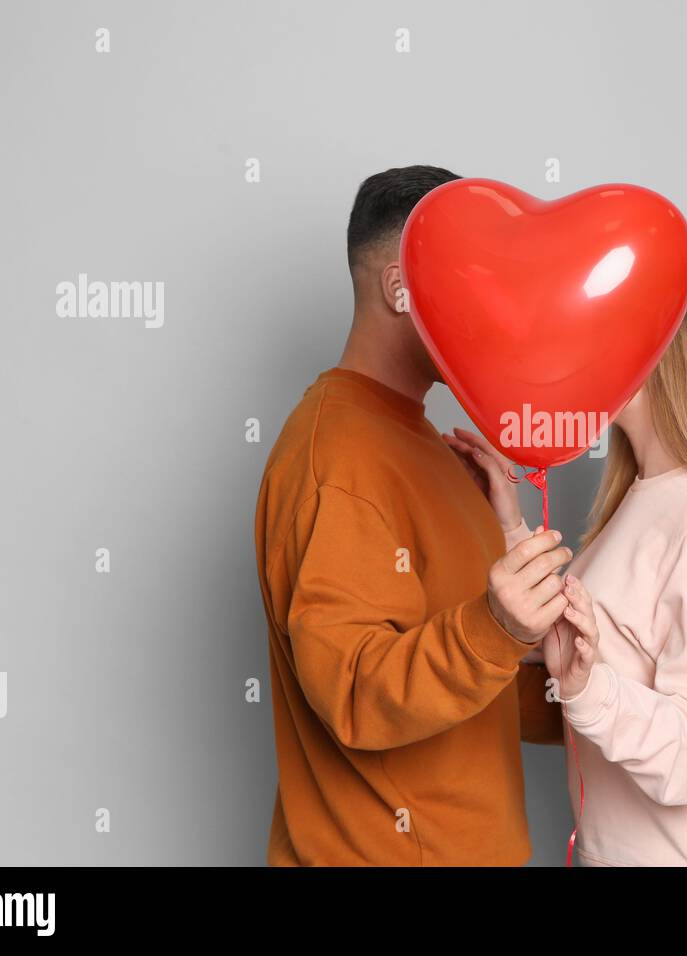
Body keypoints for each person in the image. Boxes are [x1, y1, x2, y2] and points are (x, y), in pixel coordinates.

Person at [254, 165, 568, 866]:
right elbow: (357, 692)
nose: (490, 308)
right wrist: (497, 626)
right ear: (401, 286)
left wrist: (593, 690)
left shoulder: (440, 450)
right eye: (468, 277)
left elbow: (467, 691)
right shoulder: (335, 457)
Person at [460, 263, 687, 866]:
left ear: (669, 356)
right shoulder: (643, 499)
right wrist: (509, 524)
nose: (598, 349)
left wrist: (589, 688)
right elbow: (588, 644)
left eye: (622, 330)